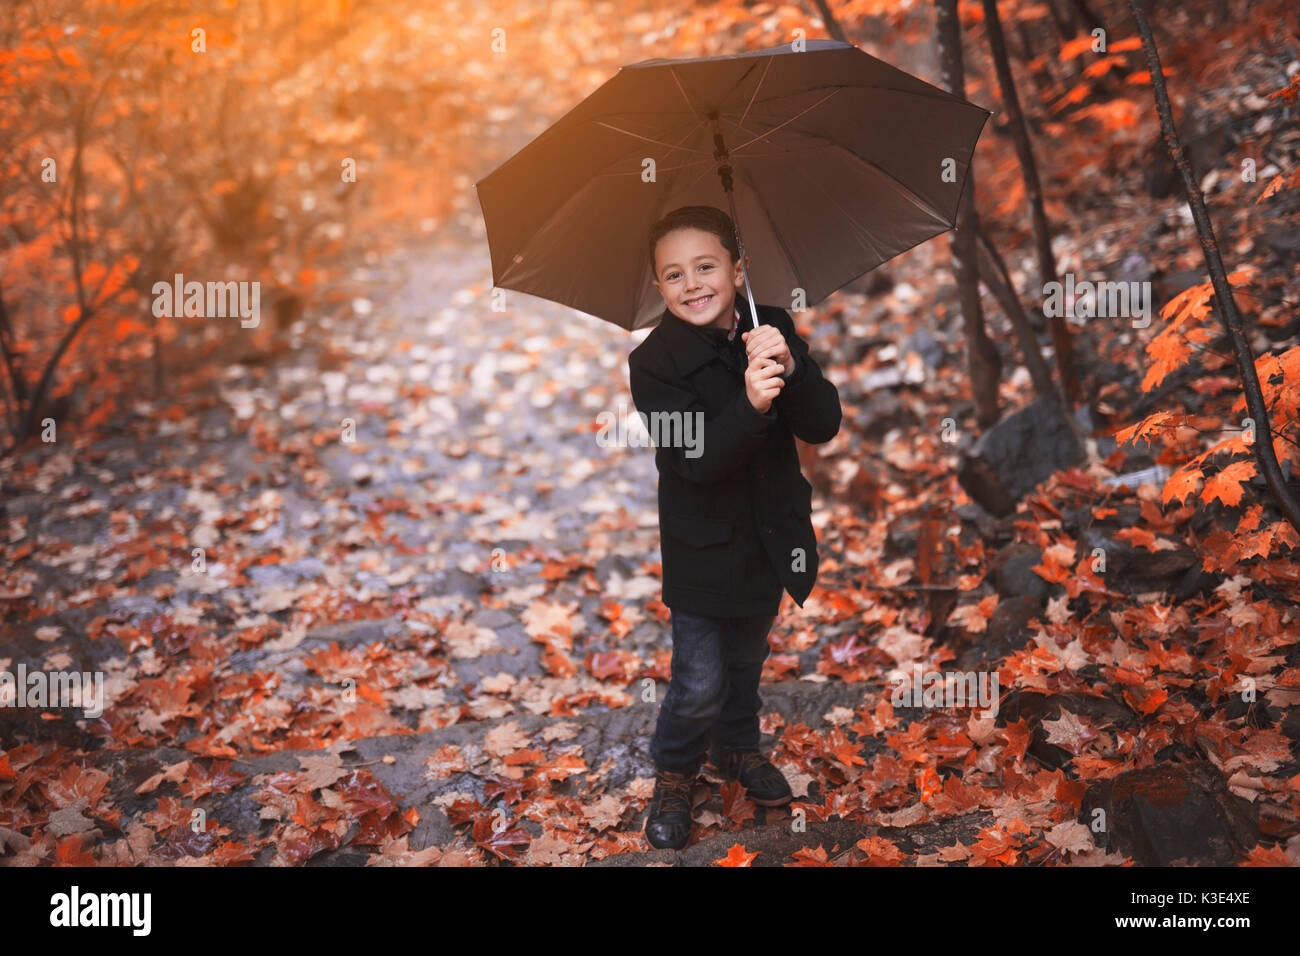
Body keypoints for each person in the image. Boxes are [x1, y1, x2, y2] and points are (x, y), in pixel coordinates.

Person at [627, 205, 842, 850]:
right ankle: (674, 770)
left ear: (737, 268)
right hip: (701, 549)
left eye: (705, 265)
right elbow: (695, 462)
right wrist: (749, 403)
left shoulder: (769, 325)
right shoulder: (654, 364)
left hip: (770, 537)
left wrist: (793, 369)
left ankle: (737, 749)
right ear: (659, 288)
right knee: (698, 680)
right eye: (673, 274)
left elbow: (822, 425)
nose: (692, 283)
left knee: (747, 660)